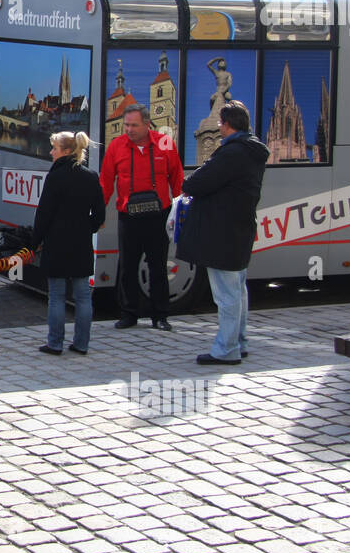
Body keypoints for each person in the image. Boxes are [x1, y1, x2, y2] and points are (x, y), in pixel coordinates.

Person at [175, 101, 270, 365]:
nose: (218, 128)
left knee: (226, 294)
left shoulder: (232, 153)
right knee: (238, 290)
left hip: (222, 231)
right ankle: (239, 341)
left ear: (227, 125)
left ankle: (226, 349)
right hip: (240, 228)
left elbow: (198, 182)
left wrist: (188, 183)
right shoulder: (253, 150)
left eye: (220, 124)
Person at [99, 103, 184, 330]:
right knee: (127, 266)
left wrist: (179, 208)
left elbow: (177, 177)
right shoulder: (116, 146)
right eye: (126, 125)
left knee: (158, 266)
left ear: (147, 124)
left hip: (159, 214)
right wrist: (98, 212)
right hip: (129, 215)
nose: (129, 129)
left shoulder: (165, 143)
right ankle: (128, 314)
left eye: (134, 125)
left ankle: (160, 316)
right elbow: (106, 181)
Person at [25, 130, 106, 355]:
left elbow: (44, 214)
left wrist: (34, 242)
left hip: (57, 242)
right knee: (82, 297)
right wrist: (86, 228)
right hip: (81, 242)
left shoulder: (56, 177)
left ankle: (55, 343)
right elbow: (99, 213)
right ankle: (81, 343)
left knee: (57, 296)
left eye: (54, 148)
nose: (51, 152)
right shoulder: (90, 176)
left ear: (67, 151)